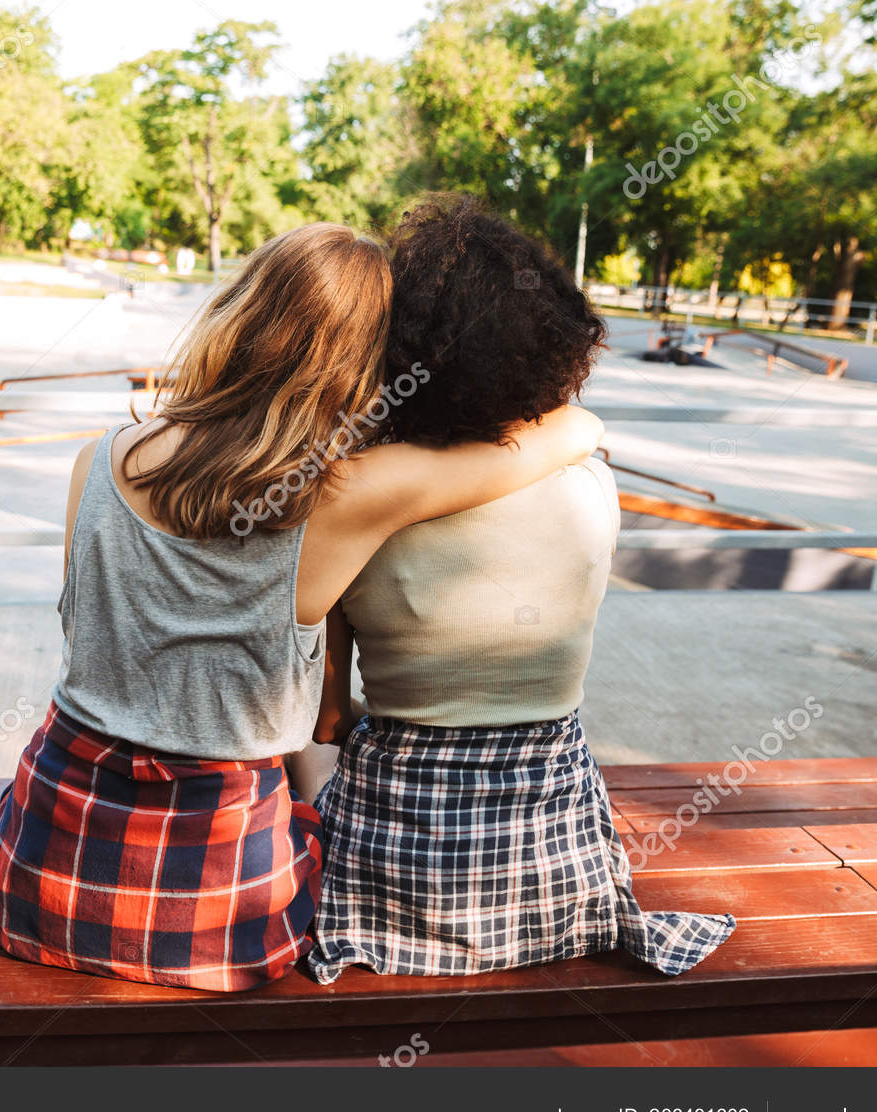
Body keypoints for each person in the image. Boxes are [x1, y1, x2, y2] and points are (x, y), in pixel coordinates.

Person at [0, 220, 605, 991]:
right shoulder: (343, 497)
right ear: (367, 366)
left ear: (237, 311)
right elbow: (559, 436)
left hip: (43, 859)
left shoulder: (95, 461)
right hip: (213, 907)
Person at [308, 195, 734, 984]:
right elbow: (554, 439)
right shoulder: (590, 481)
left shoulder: (354, 496)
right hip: (553, 873)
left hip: (388, 879)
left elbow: (326, 717)